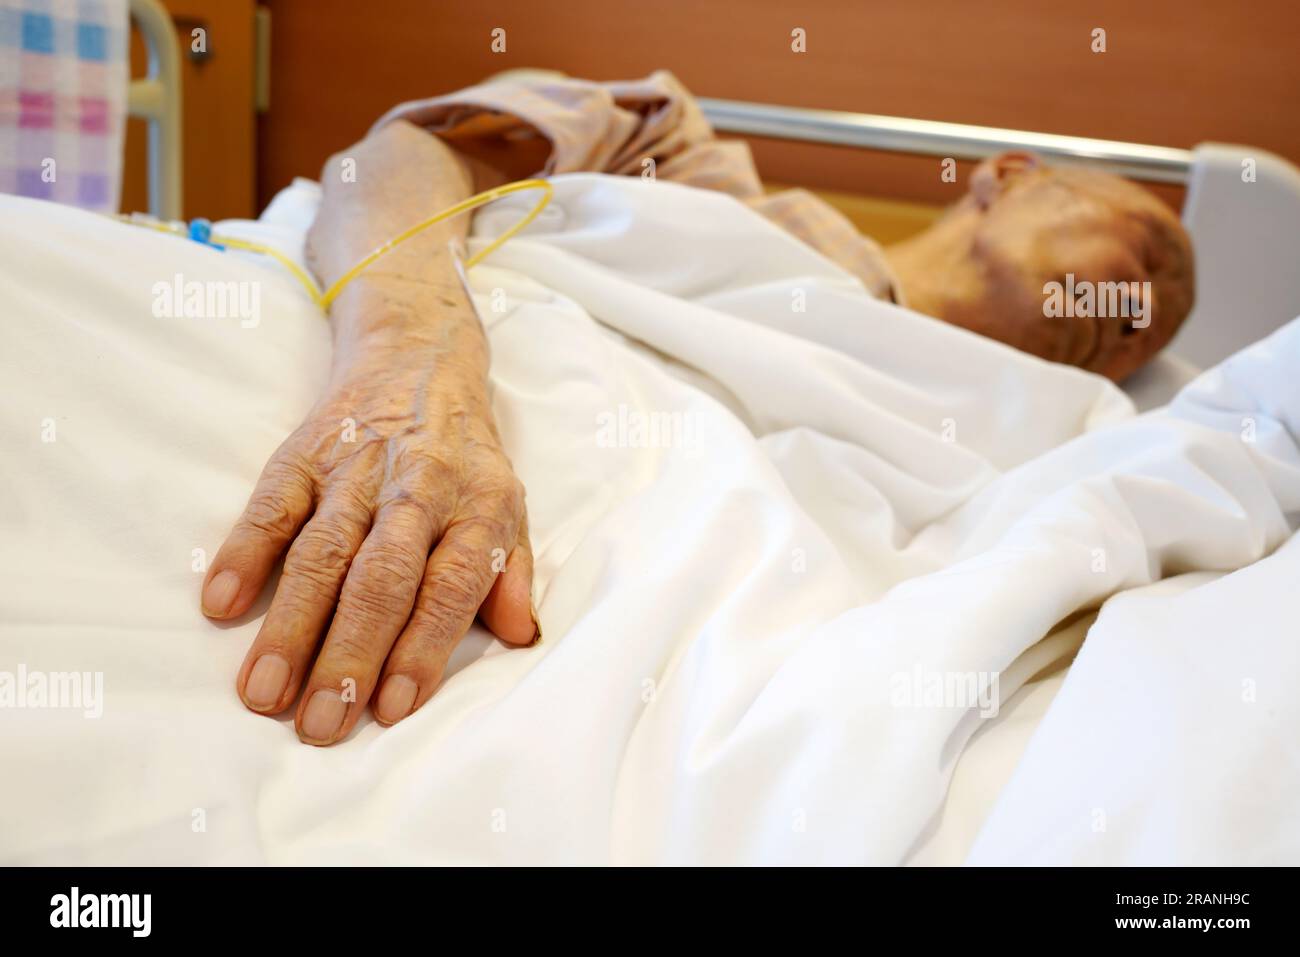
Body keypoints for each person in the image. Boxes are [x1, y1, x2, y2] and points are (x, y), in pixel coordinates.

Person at [199, 72, 1195, 746]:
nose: (1142, 318)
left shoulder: (1045, 434)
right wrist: (407, 357)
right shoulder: (674, 159)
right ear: (1008, 175)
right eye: (1148, 254)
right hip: (310, 394)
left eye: (1156, 329)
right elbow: (389, 163)